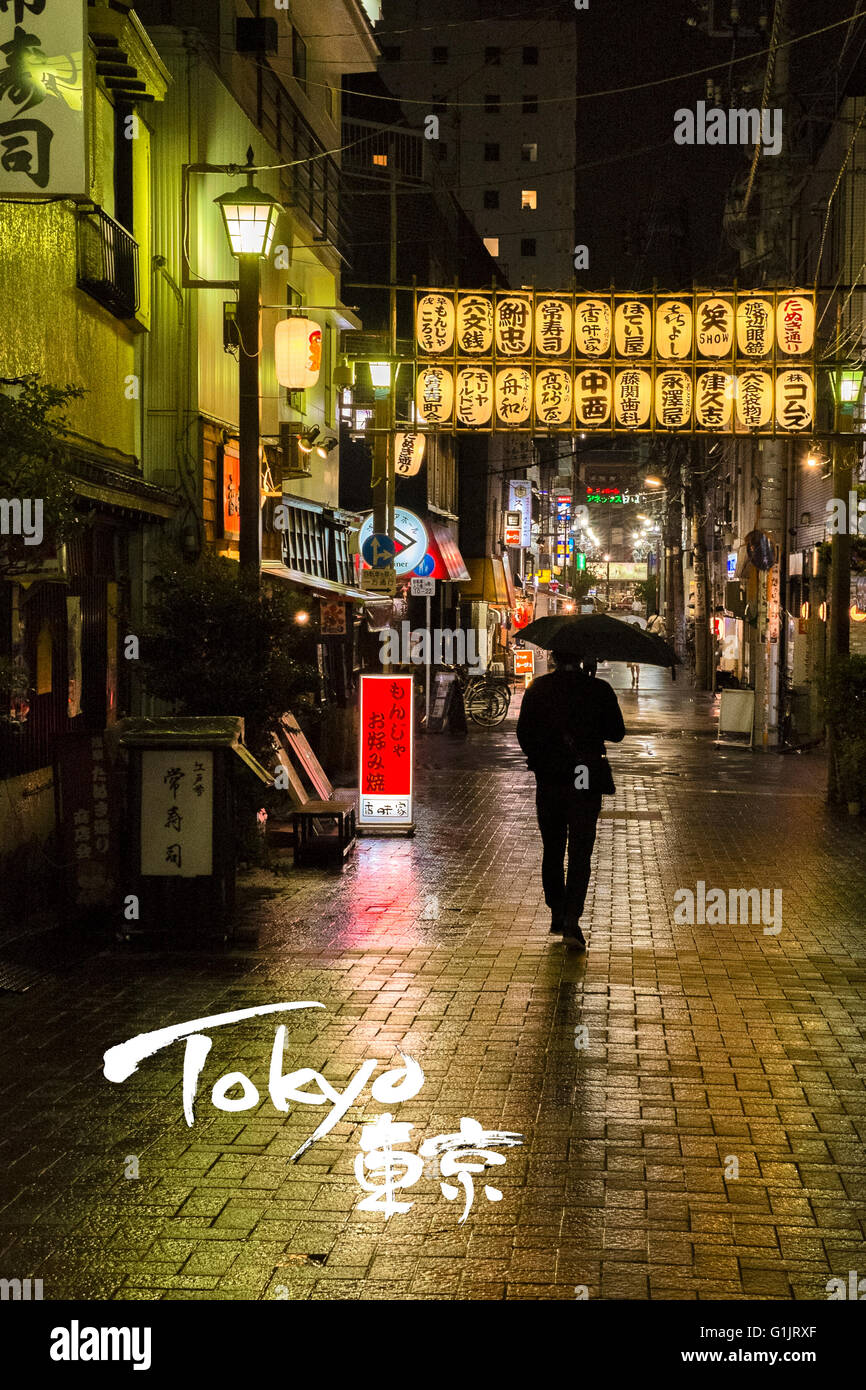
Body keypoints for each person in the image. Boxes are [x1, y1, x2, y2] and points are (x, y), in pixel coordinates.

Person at [516, 651, 626, 950]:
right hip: (583, 774)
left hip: (550, 775)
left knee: (552, 847)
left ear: (552, 656)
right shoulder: (597, 689)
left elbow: (524, 734)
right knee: (580, 849)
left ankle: (556, 909)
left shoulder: (538, 688)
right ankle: (572, 919)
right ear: (583, 660)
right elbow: (617, 733)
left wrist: (542, 757)